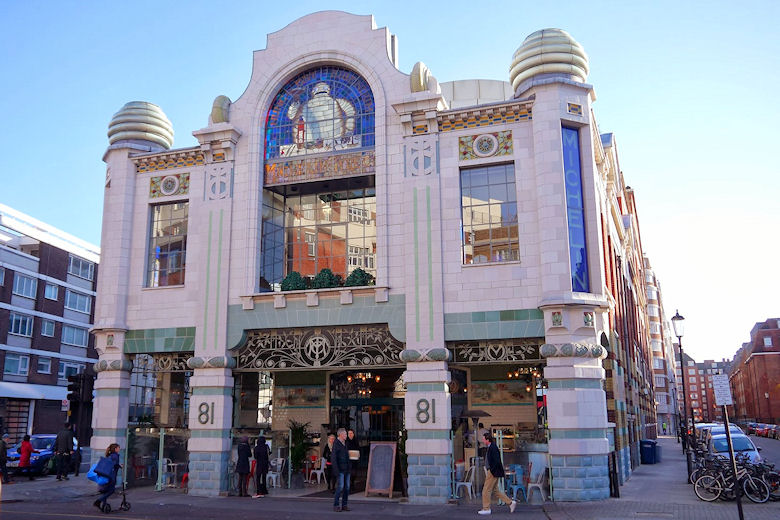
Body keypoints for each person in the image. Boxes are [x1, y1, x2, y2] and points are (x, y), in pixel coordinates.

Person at [479, 432, 516, 515]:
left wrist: (491, 470)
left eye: (484, 439)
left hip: (492, 472)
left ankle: (486, 508)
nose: (482, 440)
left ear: (487, 439)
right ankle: (510, 502)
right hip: (494, 471)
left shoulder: (492, 447)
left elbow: (496, 461)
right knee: (496, 491)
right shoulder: (491, 447)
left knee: (486, 490)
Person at [93, 443, 122, 510]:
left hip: (107, 474)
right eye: (118, 448)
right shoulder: (115, 456)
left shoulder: (110, 455)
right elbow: (114, 464)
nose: (119, 449)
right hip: (112, 475)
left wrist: (118, 465)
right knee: (111, 490)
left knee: (106, 490)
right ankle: (99, 501)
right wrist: (119, 466)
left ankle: (104, 504)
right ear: (115, 449)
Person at [332, 428, 351, 512]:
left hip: (347, 469)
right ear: (340, 435)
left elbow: (347, 456)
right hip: (340, 469)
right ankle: (336, 505)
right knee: (340, 487)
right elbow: (333, 458)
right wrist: (336, 470)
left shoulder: (345, 444)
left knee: (347, 487)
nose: (346, 436)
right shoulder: (336, 444)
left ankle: (344, 505)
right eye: (345, 434)